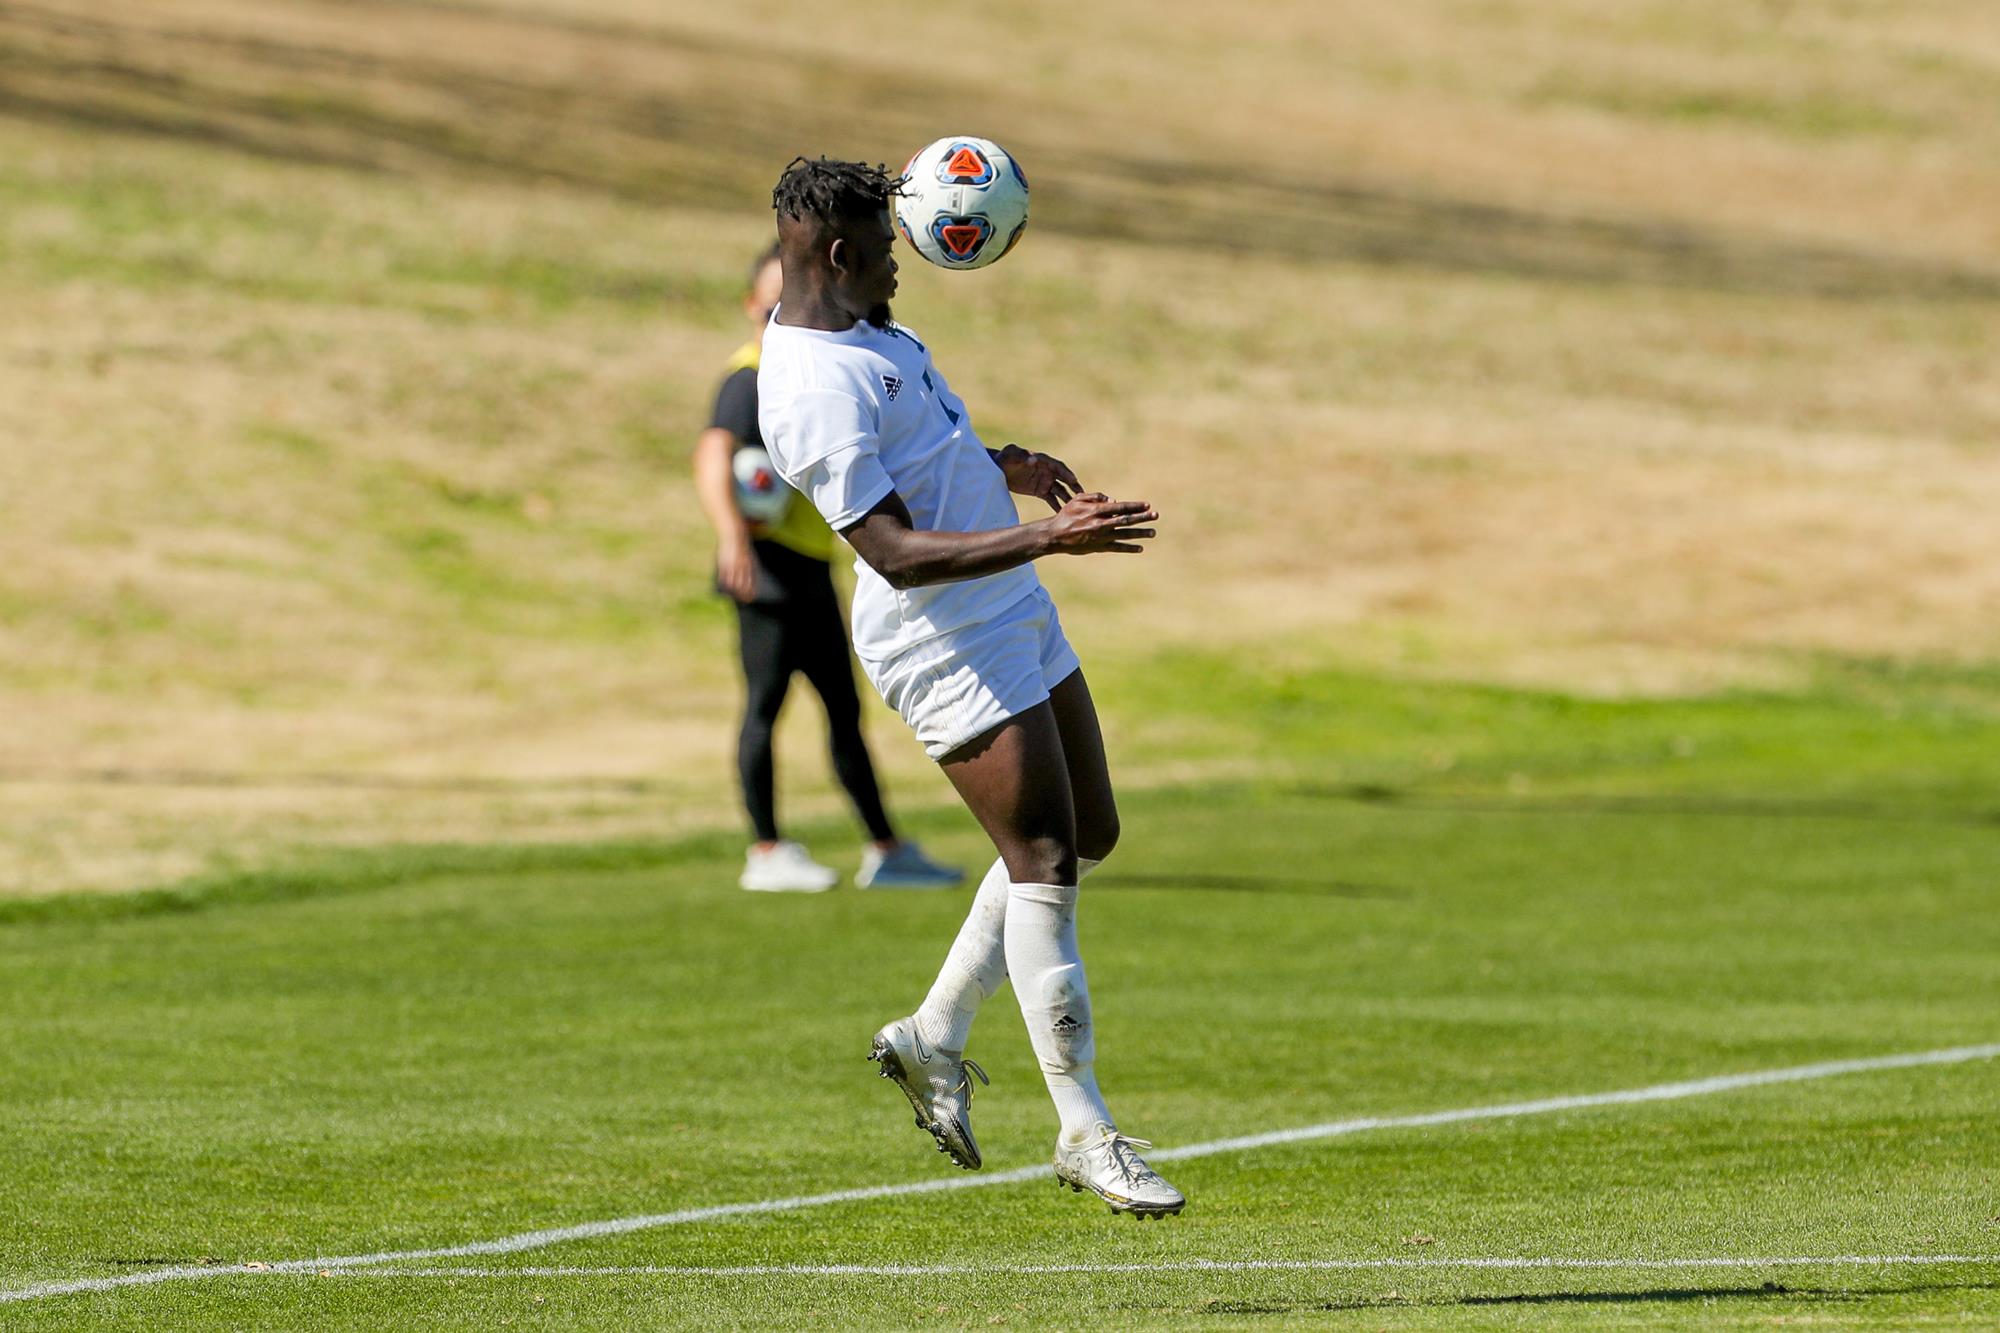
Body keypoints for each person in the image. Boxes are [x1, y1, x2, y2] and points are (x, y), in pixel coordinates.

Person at [756, 157, 1183, 1216]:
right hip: (940, 637)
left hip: (1008, 605)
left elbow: (920, 458)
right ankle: (1083, 1128)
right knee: (1042, 863)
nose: (901, 265)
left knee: (1088, 833)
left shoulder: (871, 332)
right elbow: (893, 551)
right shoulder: (808, 387)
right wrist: (1052, 536)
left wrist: (1004, 468)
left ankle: (932, 1034)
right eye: (885, 251)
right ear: (839, 254)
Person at [693, 243, 963, 893]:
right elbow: (713, 455)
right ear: (750, 306)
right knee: (765, 706)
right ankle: (766, 850)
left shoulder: (795, 372)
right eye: (767, 302)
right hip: (765, 570)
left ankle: (886, 850)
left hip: (810, 566)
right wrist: (732, 537)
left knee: (843, 711)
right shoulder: (748, 375)